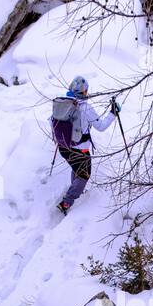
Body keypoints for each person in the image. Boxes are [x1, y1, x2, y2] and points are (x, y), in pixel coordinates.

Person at [51, 76, 119, 214]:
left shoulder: (62, 103)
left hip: (63, 147)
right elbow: (101, 126)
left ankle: (76, 190)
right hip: (80, 149)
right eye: (86, 90)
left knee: (76, 168)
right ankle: (66, 202)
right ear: (83, 92)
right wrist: (113, 113)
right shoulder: (85, 108)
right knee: (84, 175)